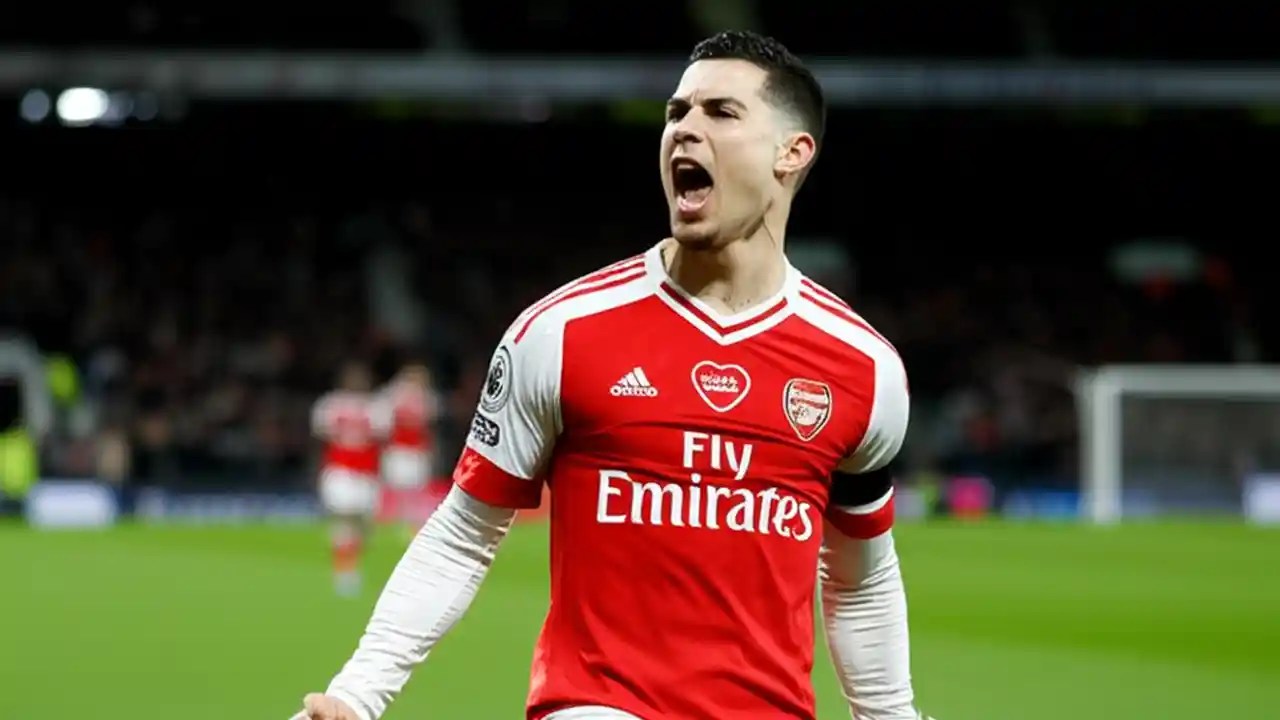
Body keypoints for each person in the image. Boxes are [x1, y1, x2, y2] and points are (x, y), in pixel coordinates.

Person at [296, 30, 932, 719]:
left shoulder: (862, 370)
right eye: (675, 113)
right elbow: (463, 534)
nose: (685, 130)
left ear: (792, 153)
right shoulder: (562, 333)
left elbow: (860, 579)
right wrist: (357, 694)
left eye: (720, 112)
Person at [310, 360, 387, 597]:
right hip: (341, 470)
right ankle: (344, 571)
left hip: (365, 473)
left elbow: (382, 437)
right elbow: (320, 436)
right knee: (344, 520)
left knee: (363, 523)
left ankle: (350, 562)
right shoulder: (330, 405)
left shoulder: (376, 407)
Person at [376, 361, 441, 533]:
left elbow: (429, 427)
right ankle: (392, 522)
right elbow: (383, 425)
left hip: (416, 451)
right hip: (398, 449)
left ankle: (411, 526)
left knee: (415, 491)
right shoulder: (393, 395)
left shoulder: (427, 397)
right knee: (396, 488)